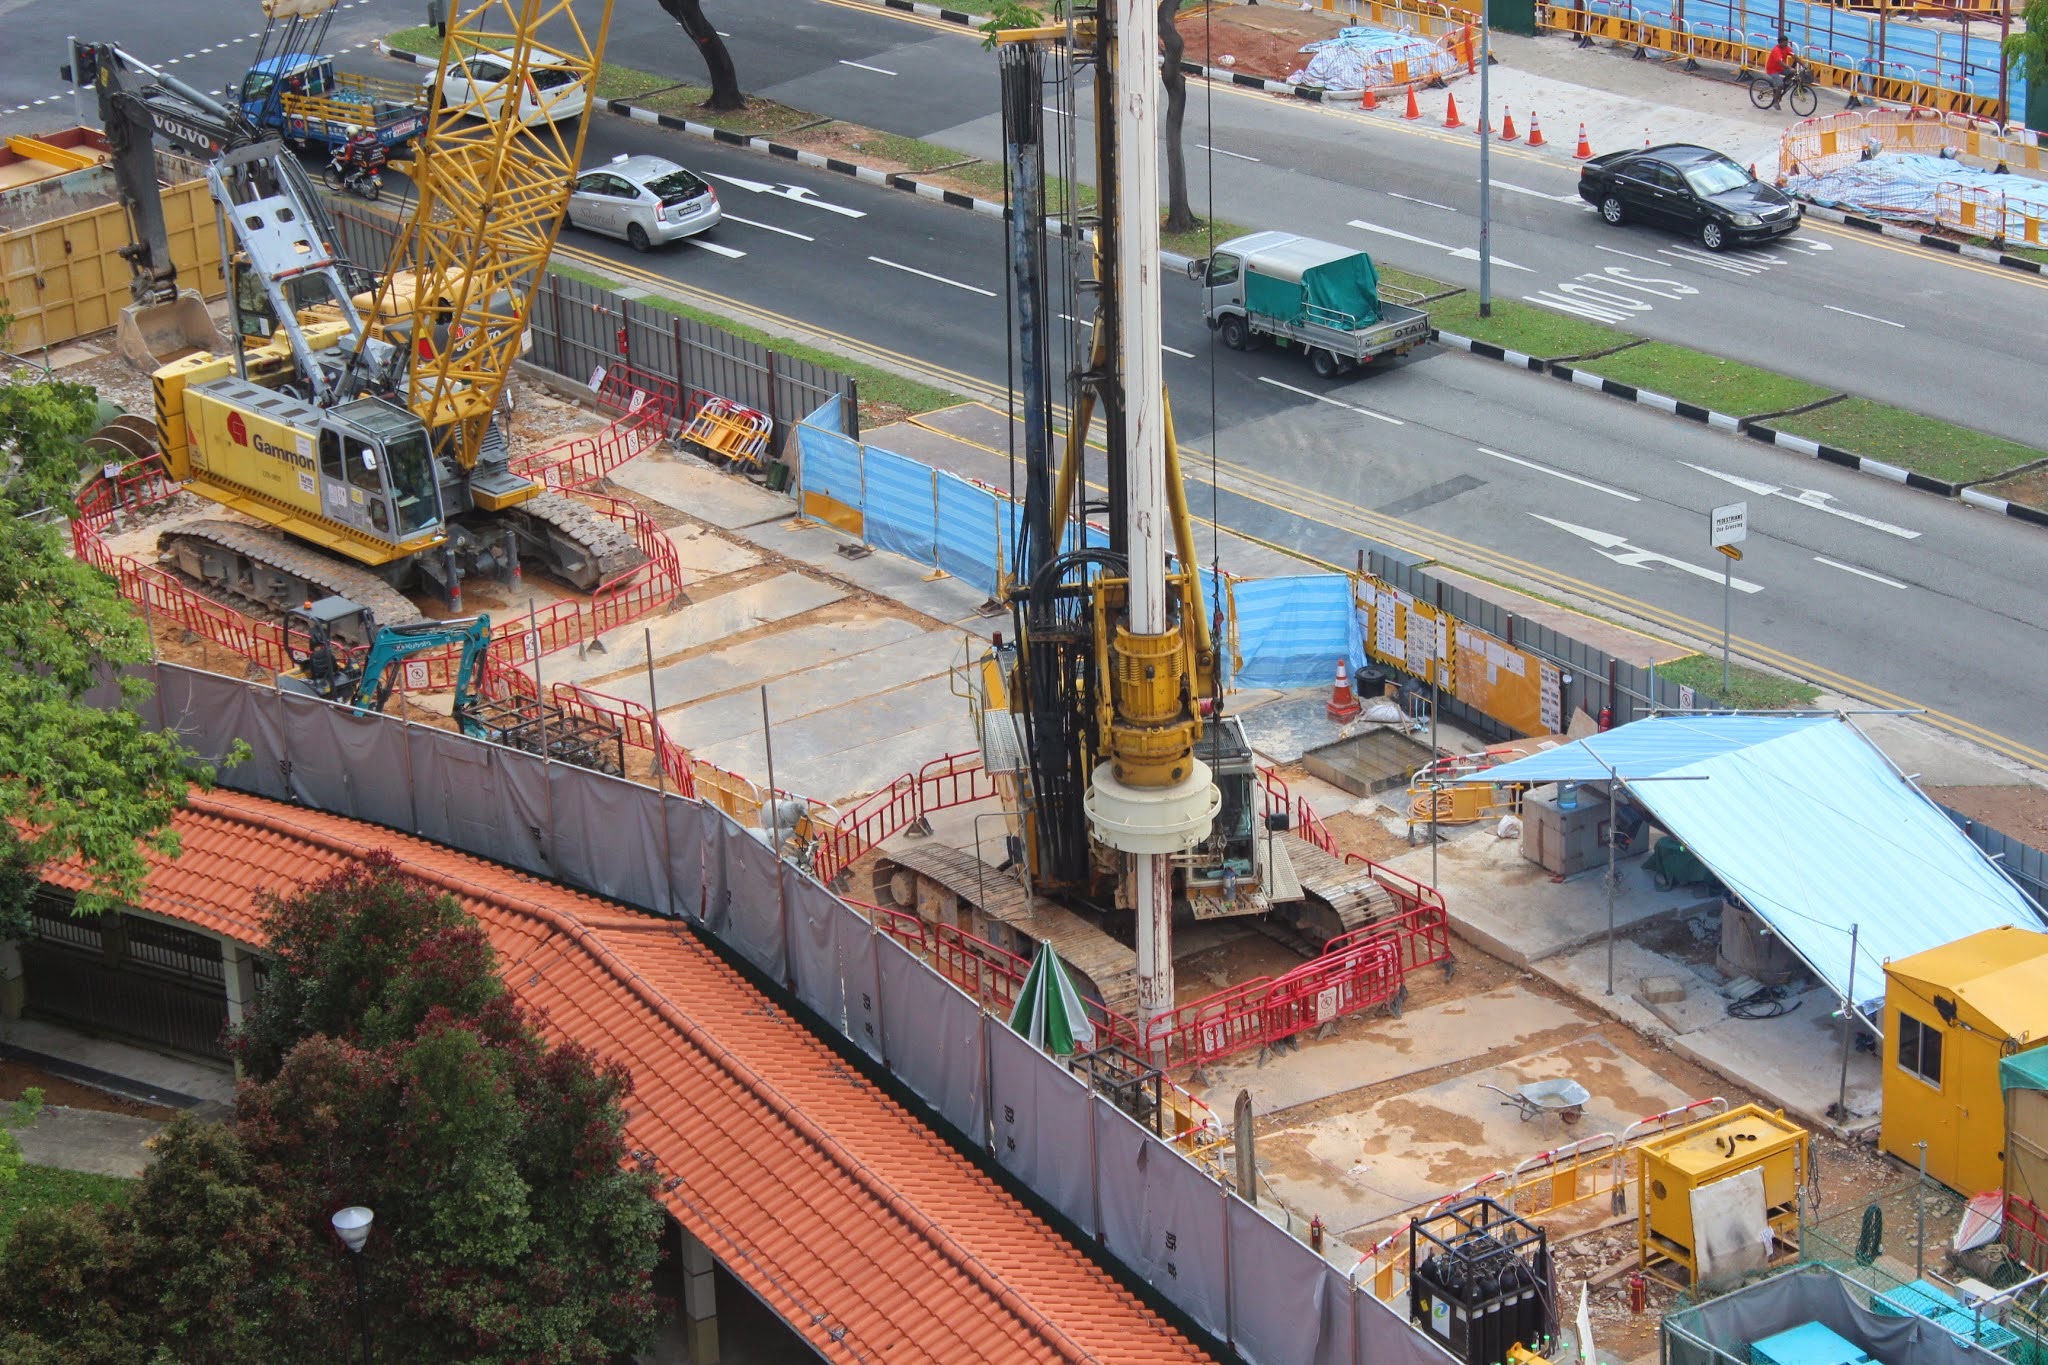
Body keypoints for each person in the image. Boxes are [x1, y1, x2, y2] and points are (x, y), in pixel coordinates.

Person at [1764, 35, 1800, 104]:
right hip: (1772, 70)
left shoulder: (1786, 48)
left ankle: (1783, 85)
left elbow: (1795, 57)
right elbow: (1780, 62)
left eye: (1787, 43)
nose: (1786, 45)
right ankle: (1775, 101)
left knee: (1791, 73)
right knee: (1780, 85)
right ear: (1780, 43)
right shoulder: (1776, 50)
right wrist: (1790, 68)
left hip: (1781, 69)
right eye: (1785, 43)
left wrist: (1804, 65)